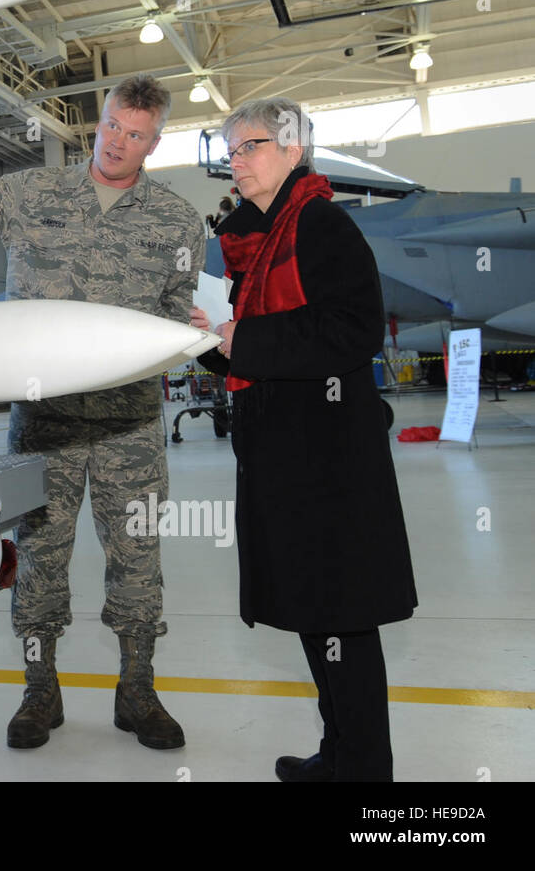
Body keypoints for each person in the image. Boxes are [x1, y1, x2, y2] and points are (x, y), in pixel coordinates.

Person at [0, 75, 203, 751]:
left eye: (135, 135)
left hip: (130, 426)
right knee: (39, 562)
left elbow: (172, 316)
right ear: (99, 123)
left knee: (138, 562)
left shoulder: (177, 221)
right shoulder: (35, 192)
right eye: (112, 129)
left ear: (155, 141)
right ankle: (41, 692)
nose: (118, 144)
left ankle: (138, 691)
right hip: (45, 426)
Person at [190, 97, 417, 782]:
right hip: (282, 456)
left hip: (328, 461)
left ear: (293, 150)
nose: (237, 160)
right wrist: (205, 338)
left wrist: (243, 337)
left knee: (343, 616)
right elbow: (249, 353)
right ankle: (340, 755)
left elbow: (353, 331)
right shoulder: (249, 241)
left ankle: (366, 771)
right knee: (319, 615)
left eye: (250, 145)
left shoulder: (321, 225)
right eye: (231, 150)